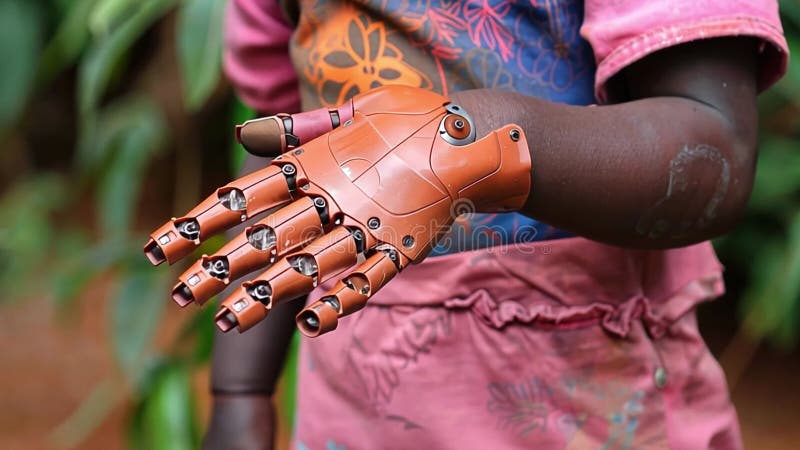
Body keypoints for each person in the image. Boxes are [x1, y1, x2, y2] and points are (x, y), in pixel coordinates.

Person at [187, 0, 789, 449]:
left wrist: (470, 142)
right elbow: (287, 143)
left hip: (586, 400)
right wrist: (239, 394)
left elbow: (713, 150)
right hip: (354, 410)